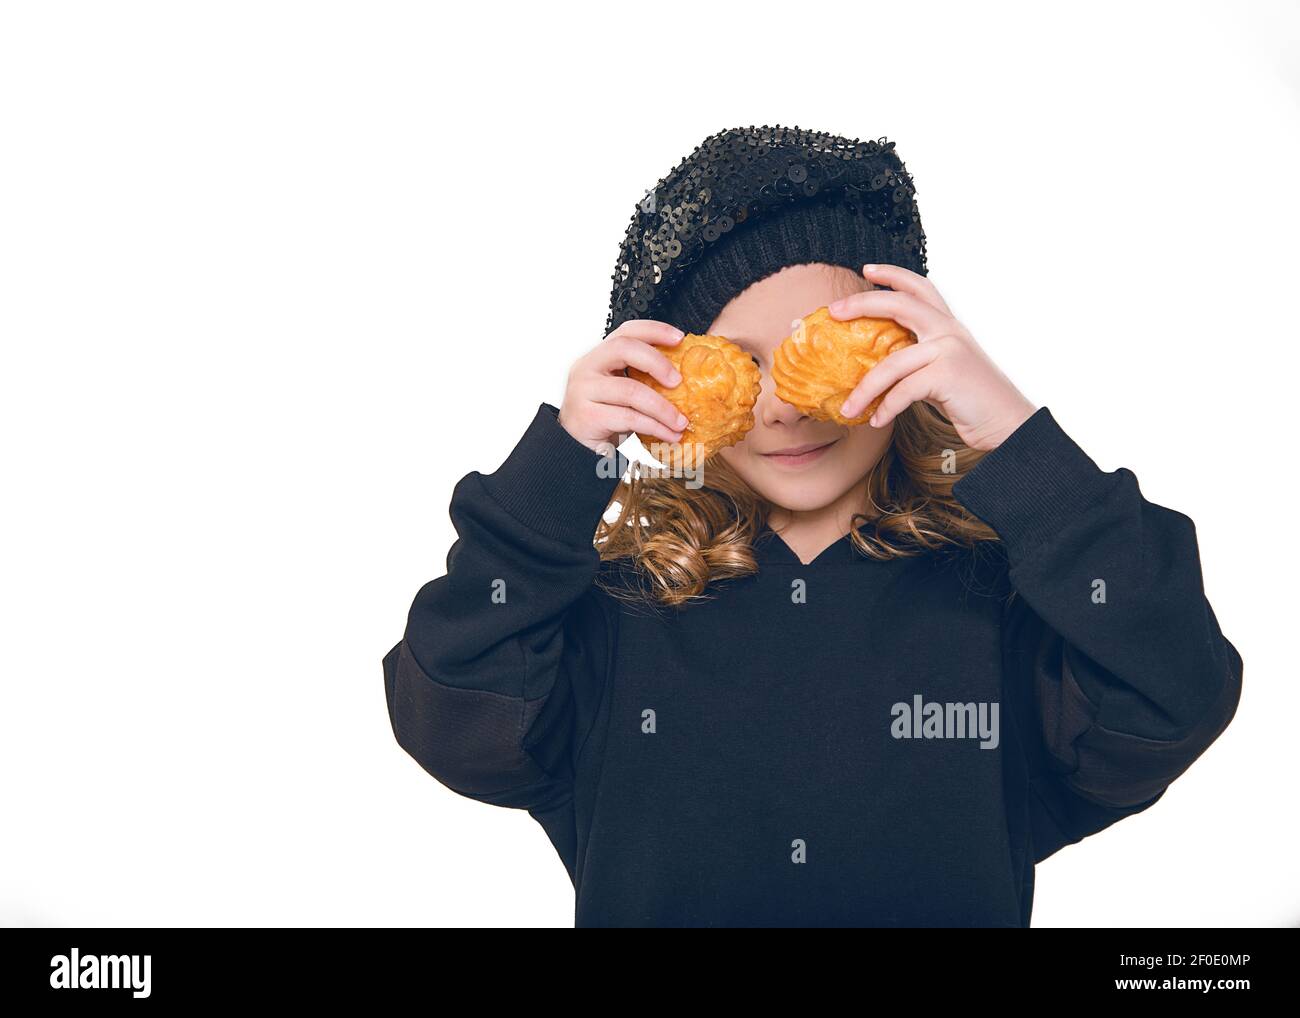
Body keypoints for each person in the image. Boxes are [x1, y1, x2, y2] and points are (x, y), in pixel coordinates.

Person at [381, 124, 1243, 927]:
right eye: (740, 362)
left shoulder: (1004, 602)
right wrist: (565, 466)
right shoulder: (615, 608)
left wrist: (1018, 442)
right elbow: (451, 711)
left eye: (819, 348)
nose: (785, 409)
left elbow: (1174, 689)